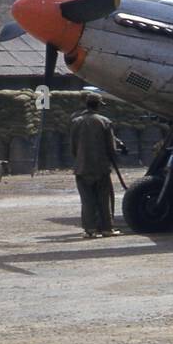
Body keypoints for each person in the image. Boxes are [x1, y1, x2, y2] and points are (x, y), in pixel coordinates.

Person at [70, 93, 122, 238]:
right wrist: (113, 160)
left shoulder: (76, 121)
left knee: (87, 201)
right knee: (103, 199)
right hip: (101, 168)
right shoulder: (104, 121)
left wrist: (80, 160)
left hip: (82, 168)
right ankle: (107, 229)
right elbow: (111, 147)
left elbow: (73, 147)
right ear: (98, 105)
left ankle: (90, 230)